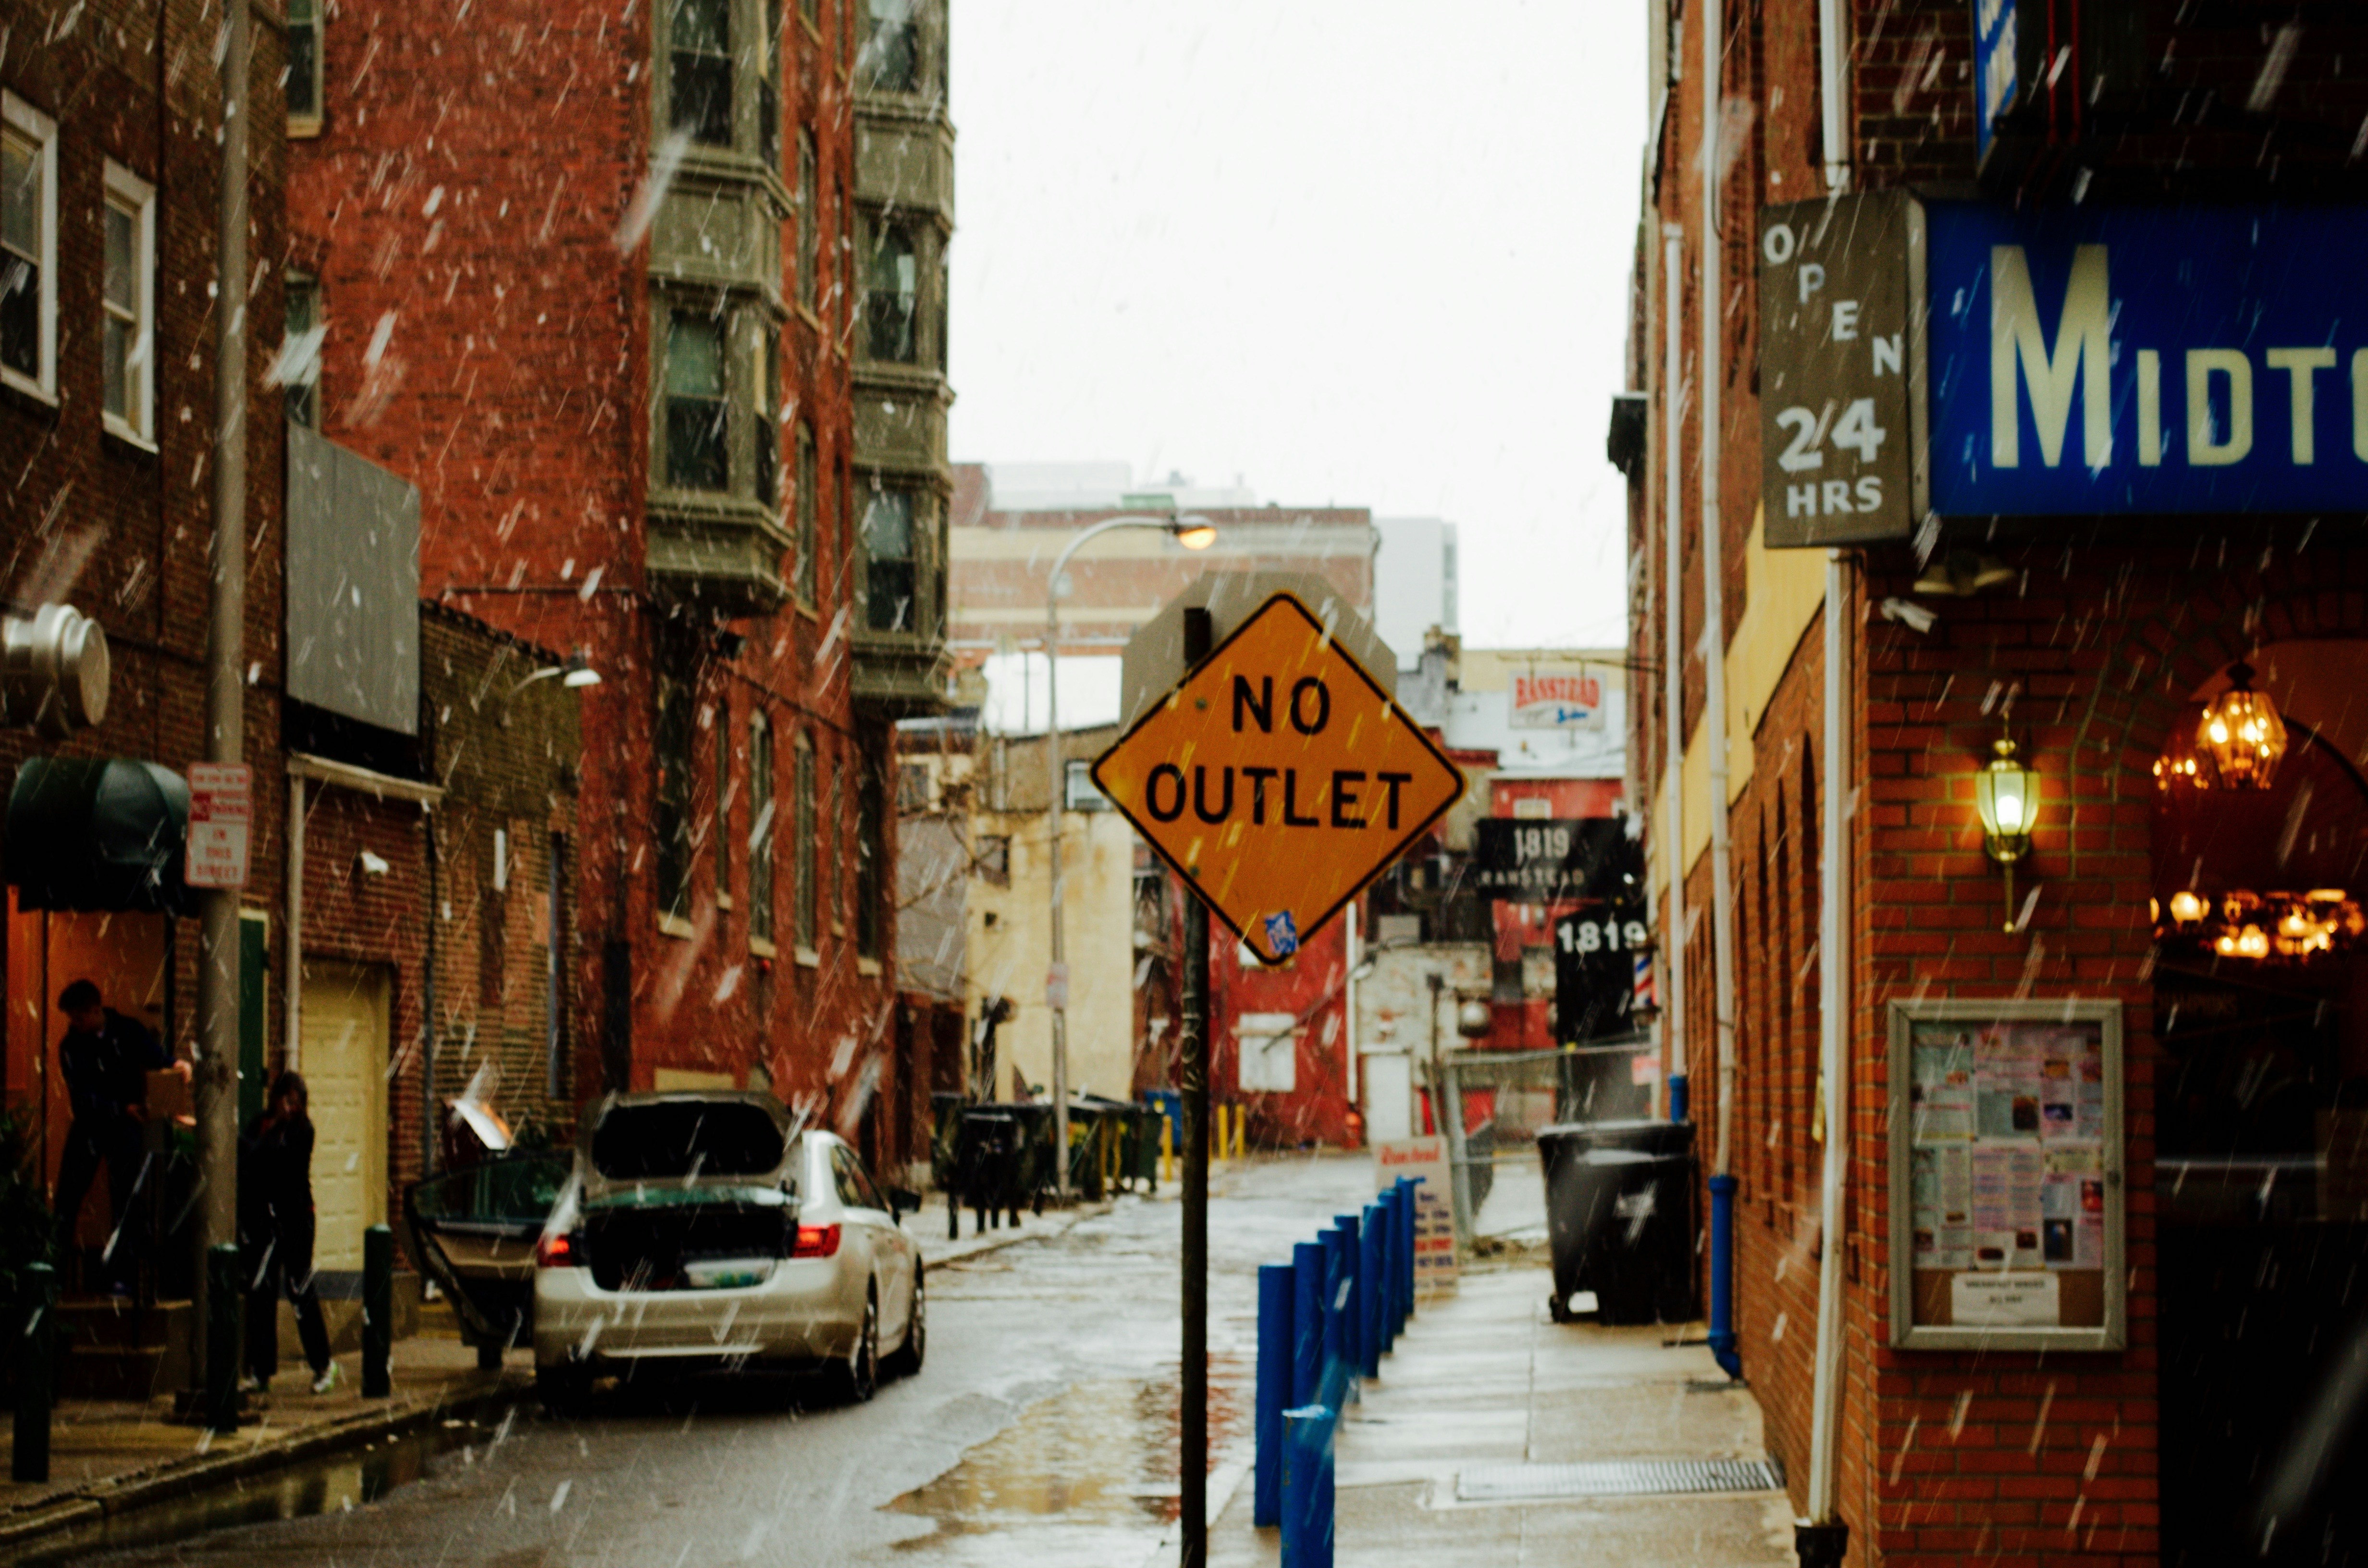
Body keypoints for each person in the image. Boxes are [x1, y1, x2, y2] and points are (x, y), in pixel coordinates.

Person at [53, 979, 177, 1297]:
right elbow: (81, 1098)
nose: (75, 1025)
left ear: (95, 1011)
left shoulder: (125, 1032)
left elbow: (156, 1058)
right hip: (96, 1125)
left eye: (79, 1018)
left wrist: (176, 1068)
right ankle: (56, 1274)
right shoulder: (72, 1047)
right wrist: (120, 1109)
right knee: (69, 1199)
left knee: (126, 1200)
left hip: (121, 1125)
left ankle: (123, 1276)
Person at [241, 1071, 337, 1395]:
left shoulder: (301, 1131)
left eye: (296, 1102)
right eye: (286, 1100)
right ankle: (261, 1369)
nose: (290, 1107)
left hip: (296, 1219)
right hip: (265, 1221)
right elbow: (248, 1157)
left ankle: (323, 1364)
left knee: (300, 1289)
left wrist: (276, 1129)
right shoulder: (261, 1125)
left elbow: (277, 1159)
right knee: (262, 1293)